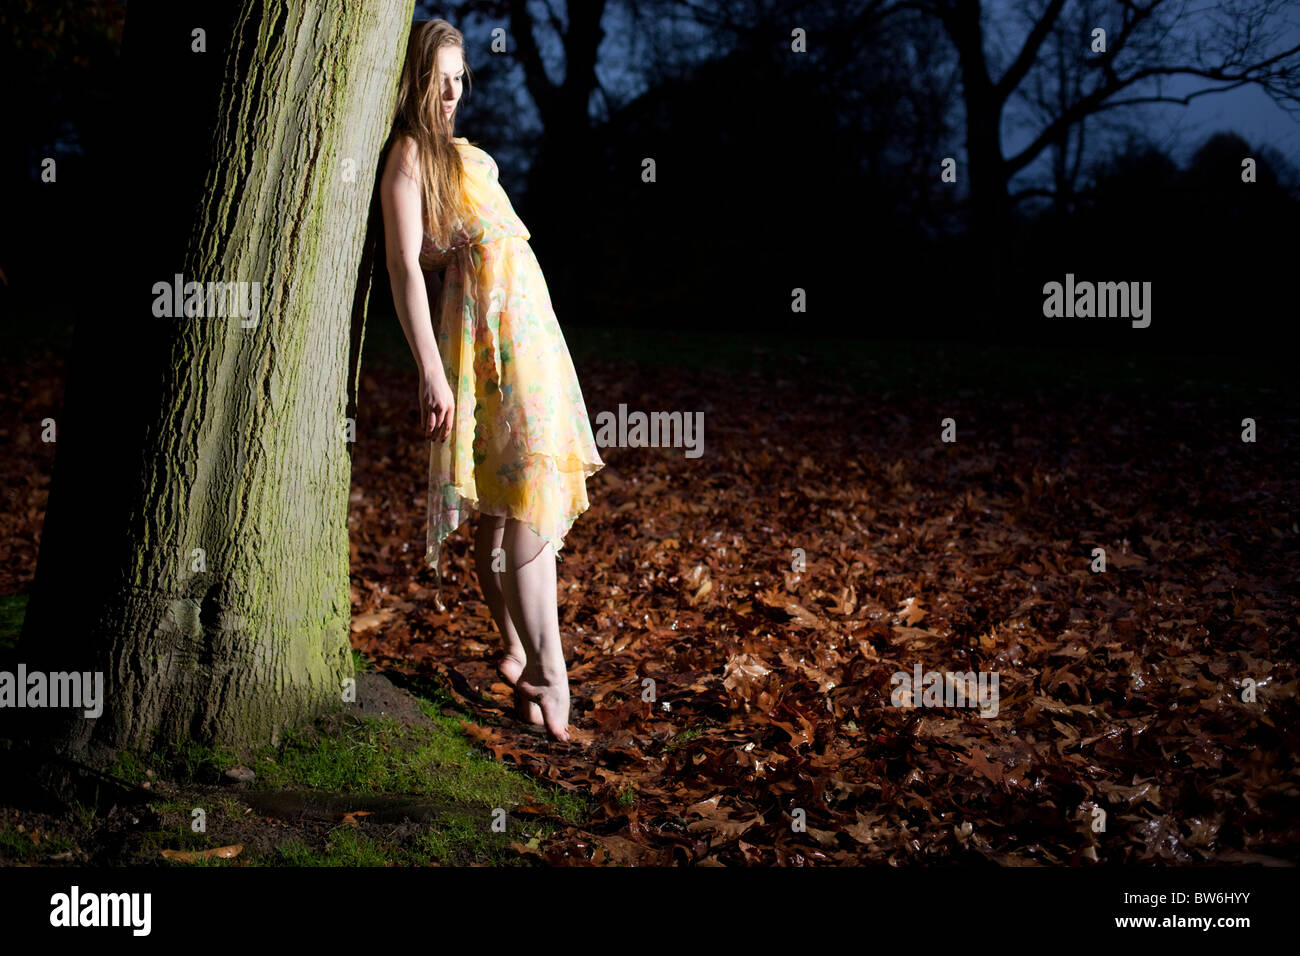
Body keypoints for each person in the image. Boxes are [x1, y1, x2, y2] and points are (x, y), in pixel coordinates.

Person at [379, 18, 603, 742]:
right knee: (521, 505)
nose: (452, 91)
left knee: (509, 510)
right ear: (414, 82)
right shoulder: (409, 157)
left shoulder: (466, 155)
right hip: (483, 345)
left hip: (530, 340)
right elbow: (403, 266)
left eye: (459, 77)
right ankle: (550, 673)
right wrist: (431, 374)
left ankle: (517, 650)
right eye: (439, 77)